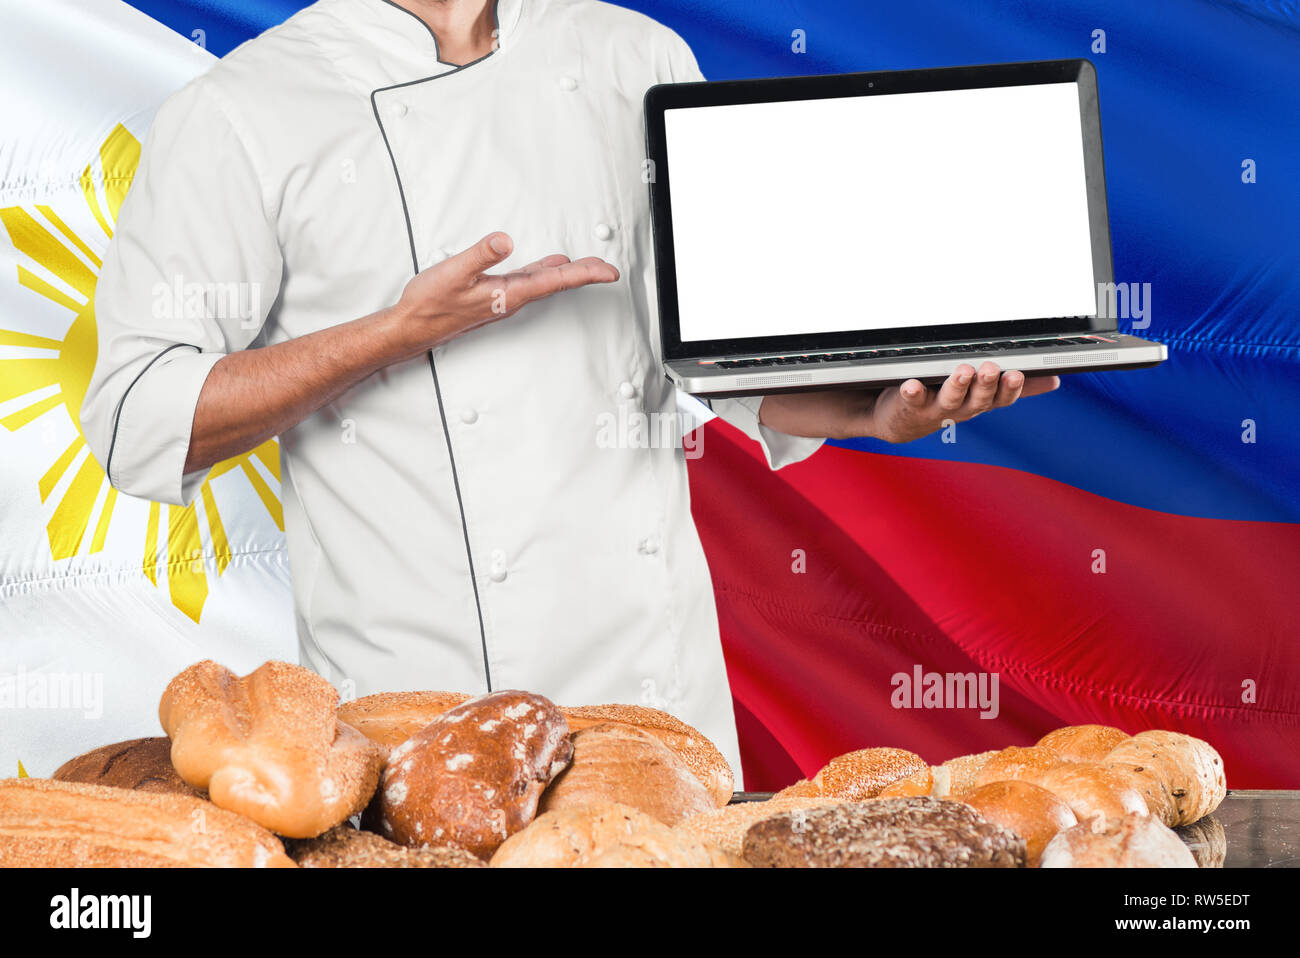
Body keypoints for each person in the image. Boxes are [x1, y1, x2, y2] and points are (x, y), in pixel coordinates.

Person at [81, 0, 1057, 780]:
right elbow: (139, 417)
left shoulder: (634, 54)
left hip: (657, 706)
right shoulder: (243, 110)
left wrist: (877, 409)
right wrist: (395, 332)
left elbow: (704, 359)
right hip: (418, 726)